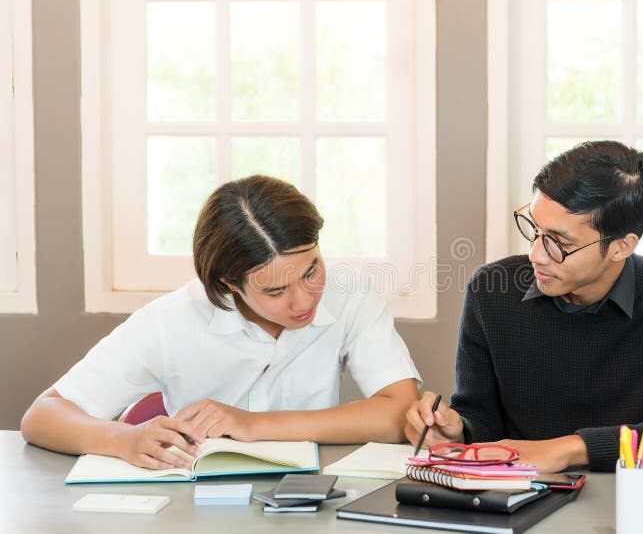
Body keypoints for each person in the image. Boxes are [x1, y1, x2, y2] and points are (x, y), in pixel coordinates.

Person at [22, 175, 420, 470]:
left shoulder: (351, 295)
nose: (304, 300)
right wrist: (124, 439)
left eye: (311, 270)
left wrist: (254, 425)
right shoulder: (171, 320)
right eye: (276, 291)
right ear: (230, 282)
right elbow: (43, 416)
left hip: (309, 502)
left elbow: (398, 413)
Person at [404, 140, 643, 473]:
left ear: (621, 246)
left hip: (639, 505)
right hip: (519, 502)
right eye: (536, 230)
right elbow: (481, 422)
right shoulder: (490, 292)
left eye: (560, 243)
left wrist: (571, 449)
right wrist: (456, 432)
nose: (536, 254)